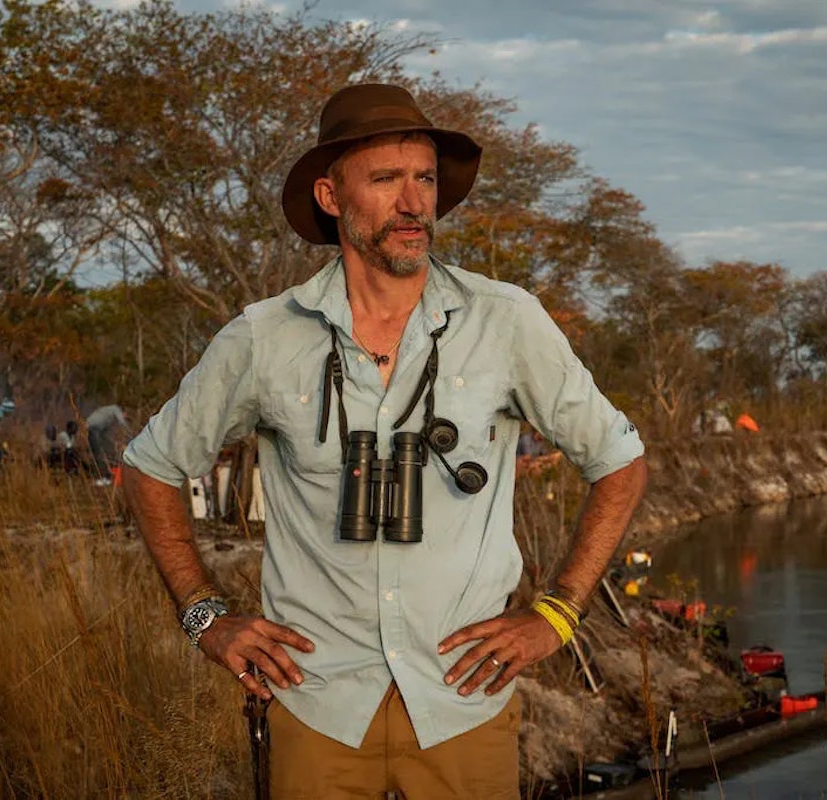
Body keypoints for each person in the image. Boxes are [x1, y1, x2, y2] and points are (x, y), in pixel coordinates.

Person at [121, 83, 648, 799]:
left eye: (425, 179)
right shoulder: (264, 337)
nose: (413, 202)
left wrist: (556, 613)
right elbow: (150, 468)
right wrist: (204, 616)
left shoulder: (506, 321)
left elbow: (619, 462)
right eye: (386, 179)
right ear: (330, 196)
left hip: (463, 702)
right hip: (316, 702)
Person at [85, 404, 129, 484]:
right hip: (94, 430)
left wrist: (112, 442)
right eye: (125, 415)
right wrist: (132, 437)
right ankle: (101, 477)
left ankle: (107, 475)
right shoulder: (115, 409)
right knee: (99, 453)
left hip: (94, 430)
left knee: (107, 450)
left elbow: (106, 434)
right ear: (123, 412)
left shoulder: (107, 416)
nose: (125, 417)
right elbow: (122, 423)